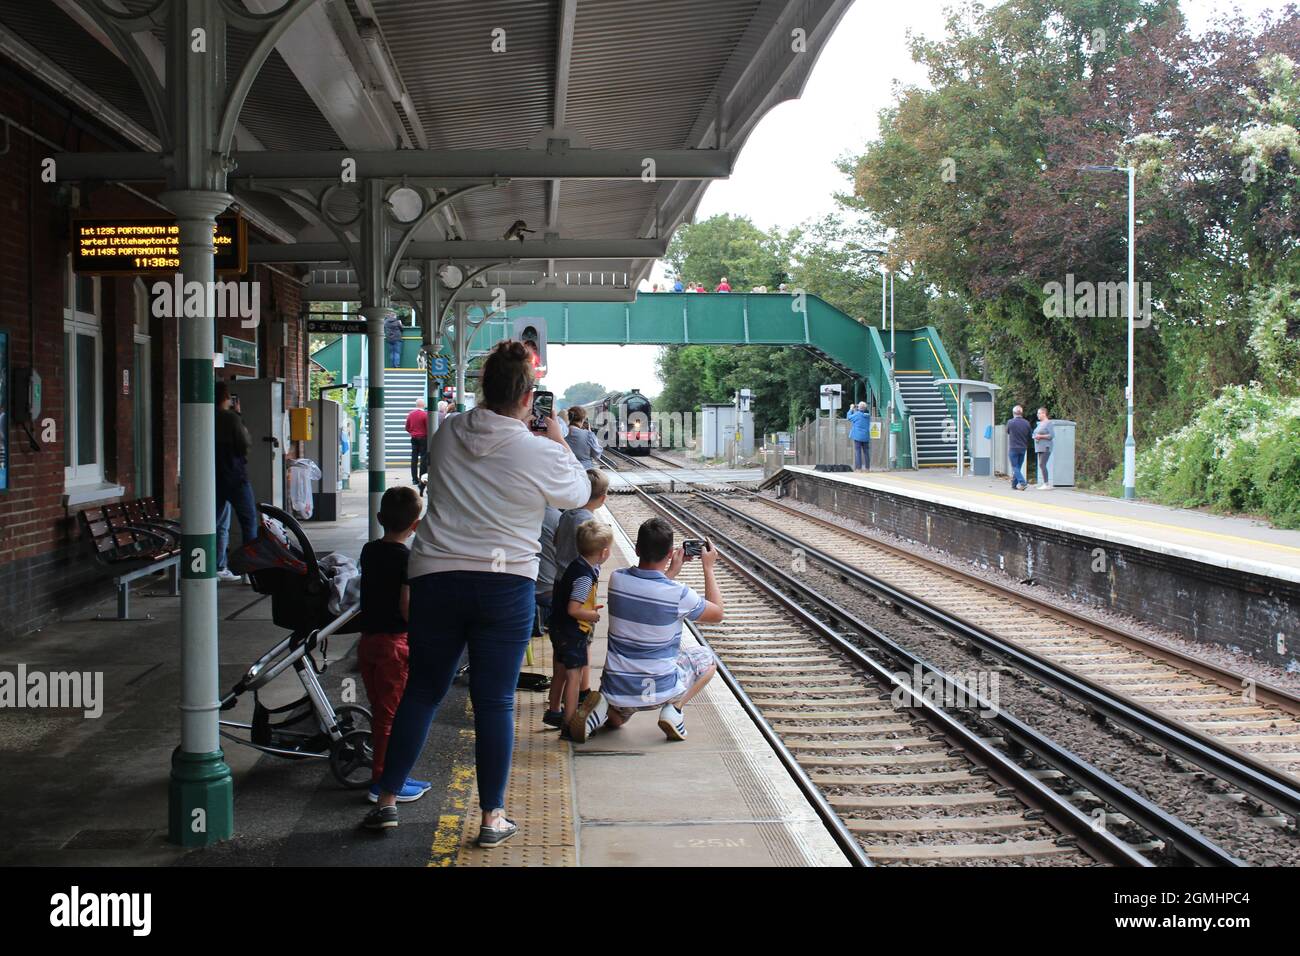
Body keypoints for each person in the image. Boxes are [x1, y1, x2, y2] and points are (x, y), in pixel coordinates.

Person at [361, 340, 591, 844]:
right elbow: (577, 495)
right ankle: (491, 819)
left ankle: (386, 801)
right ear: (530, 398)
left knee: (422, 691)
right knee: (493, 703)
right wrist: (558, 442)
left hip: (435, 578)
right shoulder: (536, 450)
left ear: (483, 388)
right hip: (504, 583)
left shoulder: (445, 434)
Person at [569, 518, 725, 743]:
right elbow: (717, 613)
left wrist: (670, 572)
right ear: (670, 553)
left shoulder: (617, 579)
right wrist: (708, 568)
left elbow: (649, 593)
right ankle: (674, 710)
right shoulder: (678, 594)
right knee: (706, 657)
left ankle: (603, 710)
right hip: (662, 689)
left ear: (637, 549)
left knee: (617, 721)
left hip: (620, 688)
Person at [357, 486, 430, 804]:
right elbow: (405, 606)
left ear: (379, 518)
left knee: (380, 711)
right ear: (415, 526)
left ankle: (391, 773)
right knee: (392, 715)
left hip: (368, 641)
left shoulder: (368, 551)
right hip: (394, 644)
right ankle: (384, 781)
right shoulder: (408, 560)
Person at [546, 469, 611, 720]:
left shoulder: (566, 515)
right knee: (580, 650)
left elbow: (554, 542)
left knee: (560, 661)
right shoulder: (589, 525)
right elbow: (577, 611)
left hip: (559, 581)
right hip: (577, 603)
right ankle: (577, 703)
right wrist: (591, 616)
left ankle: (555, 708)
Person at [214, 381, 258, 558]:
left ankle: (216, 565)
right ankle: (251, 567)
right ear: (226, 398)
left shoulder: (204, 416)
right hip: (235, 476)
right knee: (249, 521)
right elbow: (244, 444)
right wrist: (238, 415)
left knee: (216, 524)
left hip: (215, 478)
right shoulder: (231, 418)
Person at [1006, 405, 1033, 491]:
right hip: (1023, 448)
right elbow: (1030, 434)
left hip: (1013, 447)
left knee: (1014, 466)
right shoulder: (1027, 423)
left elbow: (1007, 432)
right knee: (1018, 466)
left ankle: (1023, 482)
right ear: (1021, 413)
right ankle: (1014, 484)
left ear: (1013, 413)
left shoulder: (1010, 422)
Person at [405, 398, 428, 487]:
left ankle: (414, 479)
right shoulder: (425, 415)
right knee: (423, 458)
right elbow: (428, 427)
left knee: (414, 459)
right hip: (423, 438)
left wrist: (412, 432)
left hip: (414, 438)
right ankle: (422, 478)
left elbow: (407, 427)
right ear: (423, 405)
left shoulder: (410, 414)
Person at [1033, 407, 1054, 490]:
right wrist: (1035, 436)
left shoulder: (1048, 423)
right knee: (1041, 465)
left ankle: (1046, 484)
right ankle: (1044, 483)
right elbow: (1034, 433)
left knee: (1042, 464)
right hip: (1039, 447)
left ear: (1043, 414)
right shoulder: (1040, 424)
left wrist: (1040, 436)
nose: (1037, 415)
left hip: (1046, 447)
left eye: (1039, 413)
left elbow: (1051, 435)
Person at [847, 401, 872, 471]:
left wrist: (851, 409)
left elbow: (849, 417)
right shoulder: (867, 416)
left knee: (858, 452)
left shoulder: (857, 414)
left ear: (859, 408)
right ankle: (867, 468)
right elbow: (862, 414)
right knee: (866, 452)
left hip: (858, 436)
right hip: (866, 436)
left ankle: (859, 468)